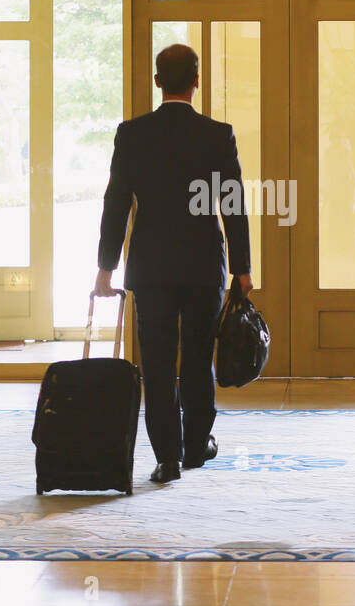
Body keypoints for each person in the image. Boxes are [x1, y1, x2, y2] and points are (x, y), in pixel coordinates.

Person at [94, 44, 253, 484]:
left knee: (158, 363)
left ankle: (166, 457)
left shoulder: (132, 134)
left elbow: (116, 204)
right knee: (198, 359)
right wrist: (243, 268)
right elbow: (233, 206)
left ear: (158, 81)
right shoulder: (218, 134)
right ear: (196, 82)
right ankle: (197, 445)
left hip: (151, 269)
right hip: (204, 267)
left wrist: (106, 267)